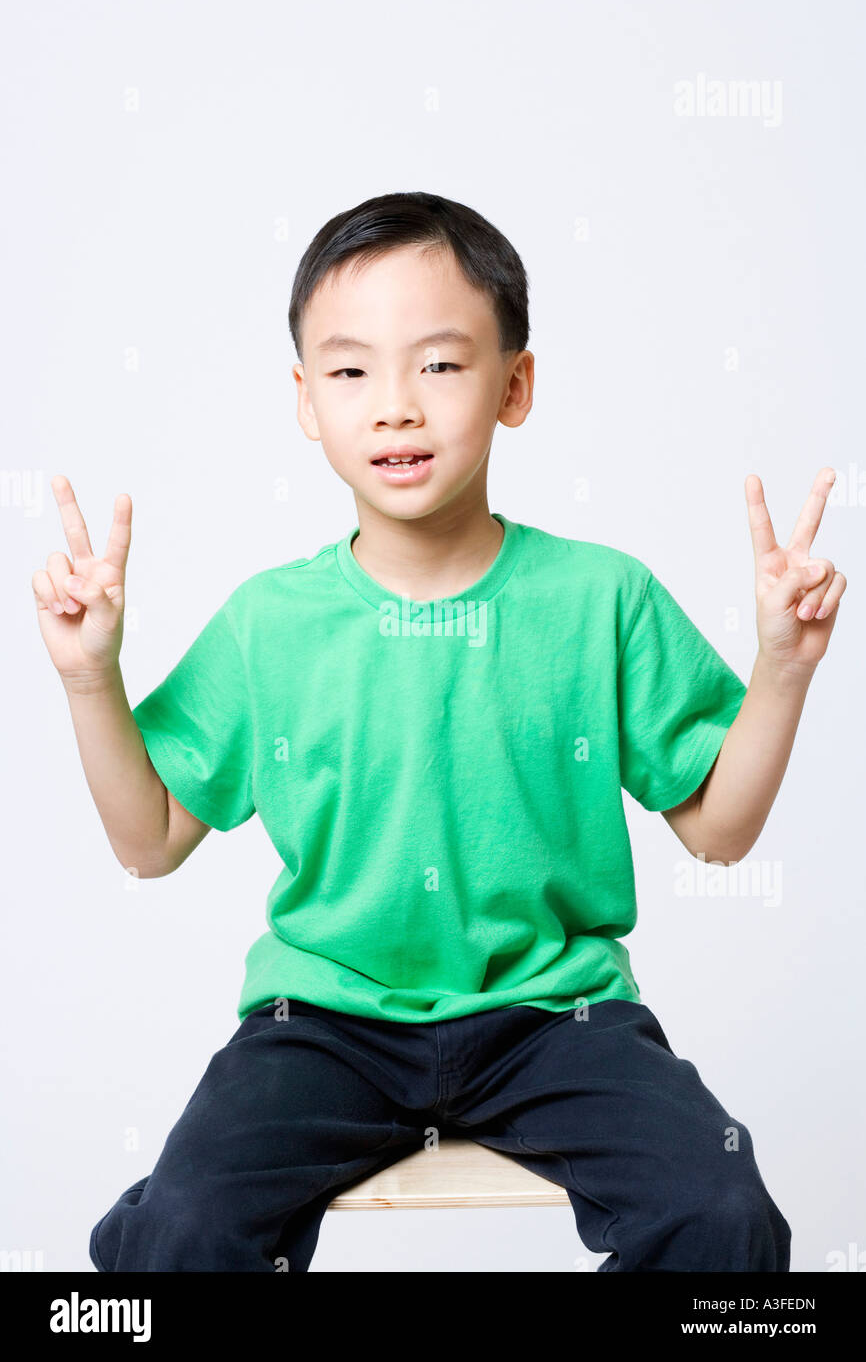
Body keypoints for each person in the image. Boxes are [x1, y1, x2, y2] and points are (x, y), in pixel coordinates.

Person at [33, 191, 845, 1273]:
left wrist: (781, 669)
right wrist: (92, 678)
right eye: (351, 370)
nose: (395, 407)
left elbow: (718, 832)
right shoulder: (270, 620)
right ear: (305, 401)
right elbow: (149, 840)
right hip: (320, 1021)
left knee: (721, 1213)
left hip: (556, 1017)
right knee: (179, 1233)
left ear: (514, 385)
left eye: (441, 365)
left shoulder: (599, 597)